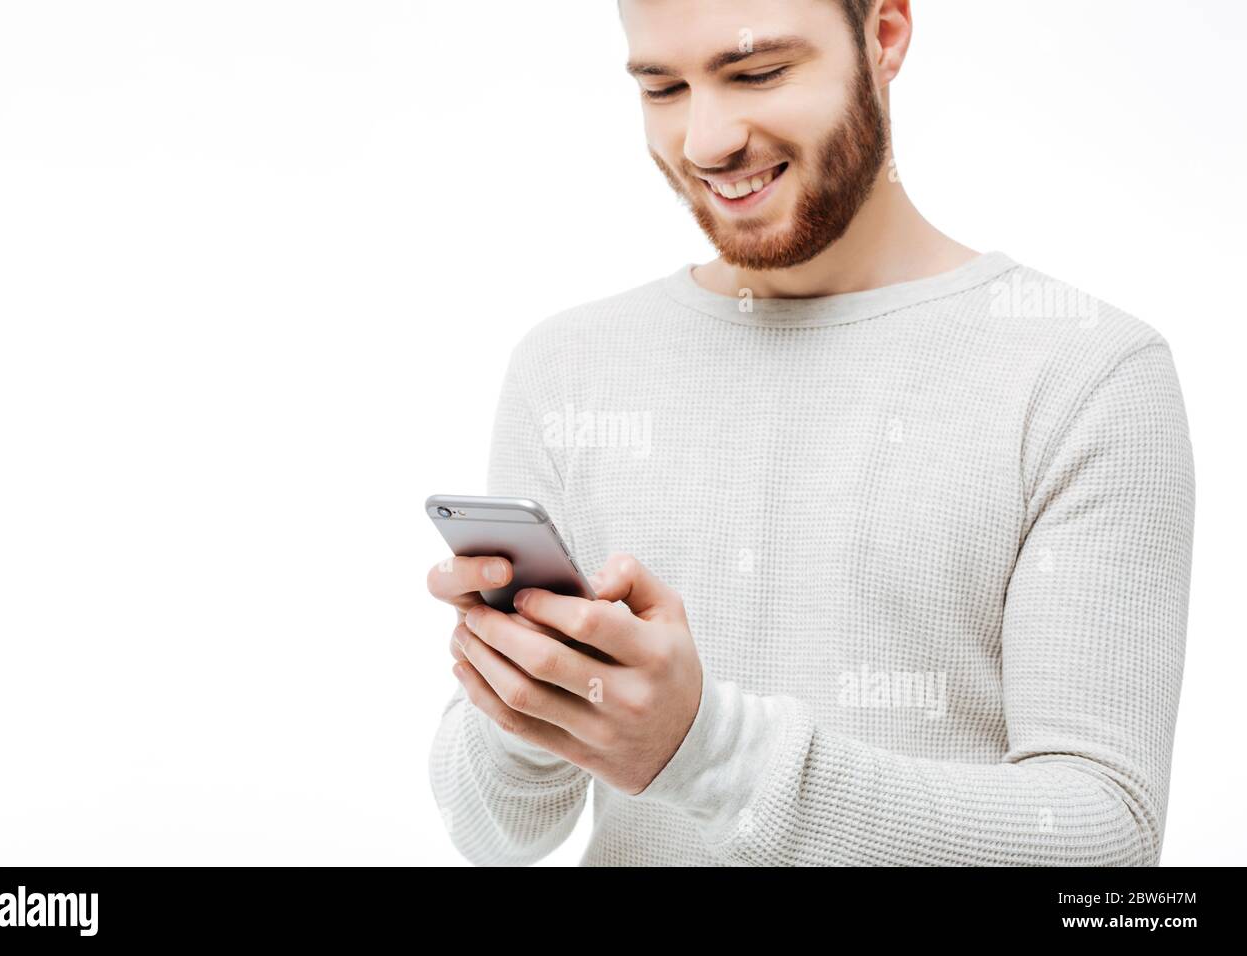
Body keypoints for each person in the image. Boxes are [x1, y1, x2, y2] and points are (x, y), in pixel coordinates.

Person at [425, 0, 1195, 866]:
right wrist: (539, 691)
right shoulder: (569, 368)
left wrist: (704, 750)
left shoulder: (1084, 374)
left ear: (887, 34)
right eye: (663, 86)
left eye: (757, 73)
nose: (705, 142)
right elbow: (493, 834)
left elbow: (1104, 844)